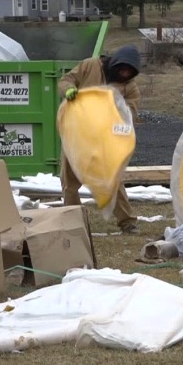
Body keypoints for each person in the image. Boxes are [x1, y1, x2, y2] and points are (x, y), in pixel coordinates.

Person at [58, 44, 142, 235]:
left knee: (113, 179)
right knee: (69, 181)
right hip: (77, 134)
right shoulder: (90, 66)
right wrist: (69, 90)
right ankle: (72, 220)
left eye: (128, 72)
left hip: (104, 140)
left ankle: (127, 221)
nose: (124, 74)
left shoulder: (130, 88)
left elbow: (130, 112)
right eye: (122, 69)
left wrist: (115, 111)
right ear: (115, 63)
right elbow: (66, 80)